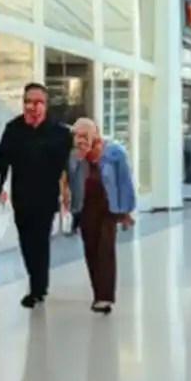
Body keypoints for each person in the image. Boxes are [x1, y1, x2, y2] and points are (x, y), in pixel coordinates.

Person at [0, 83, 73, 308]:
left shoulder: (59, 133)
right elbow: (2, 162)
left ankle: (38, 287)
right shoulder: (14, 129)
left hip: (47, 197)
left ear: (45, 105)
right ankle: (36, 280)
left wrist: (67, 191)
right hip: (21, 195)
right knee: (26, 242)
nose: (32, 107)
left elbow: (68, 166)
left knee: (40, 241)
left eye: (38, 102)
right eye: (28, 102)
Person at [67, 119, 136, 314]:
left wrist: (126, 210)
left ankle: (105, 297)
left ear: (95, 135)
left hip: (108, 206)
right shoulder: (76, 155)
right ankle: (97, 292)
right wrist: (79, 158)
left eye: (84, 136)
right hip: (86, 206)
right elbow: (70, 180)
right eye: (76, 136)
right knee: (91, 249)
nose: (79, 140)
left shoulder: (115, 153)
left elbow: (125, 183)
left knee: (105, 248)